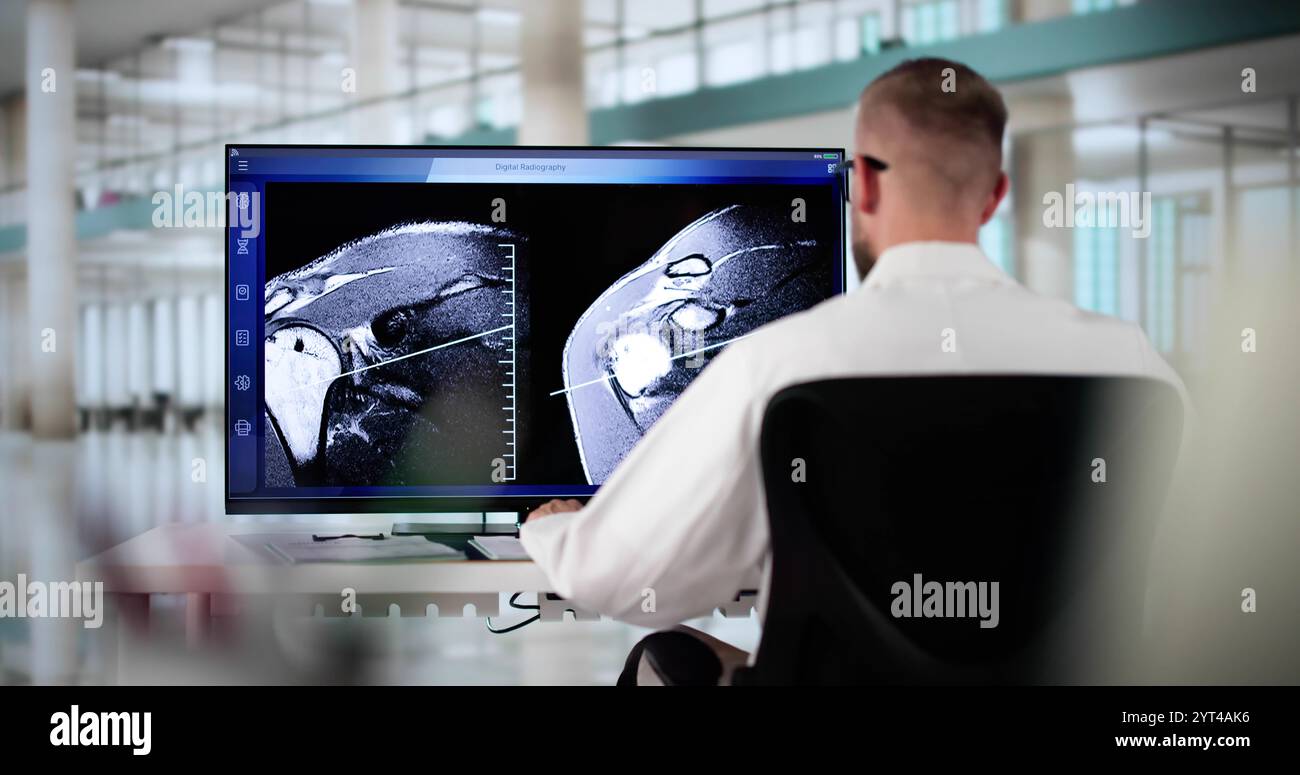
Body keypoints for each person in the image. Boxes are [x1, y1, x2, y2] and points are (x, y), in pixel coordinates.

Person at [519, 58, 1188, 683]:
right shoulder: (1133, 366)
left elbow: (618, 578)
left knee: (667, 656)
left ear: (862, 183)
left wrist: (553, 526)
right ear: (996, 197)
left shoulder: (778, 365)